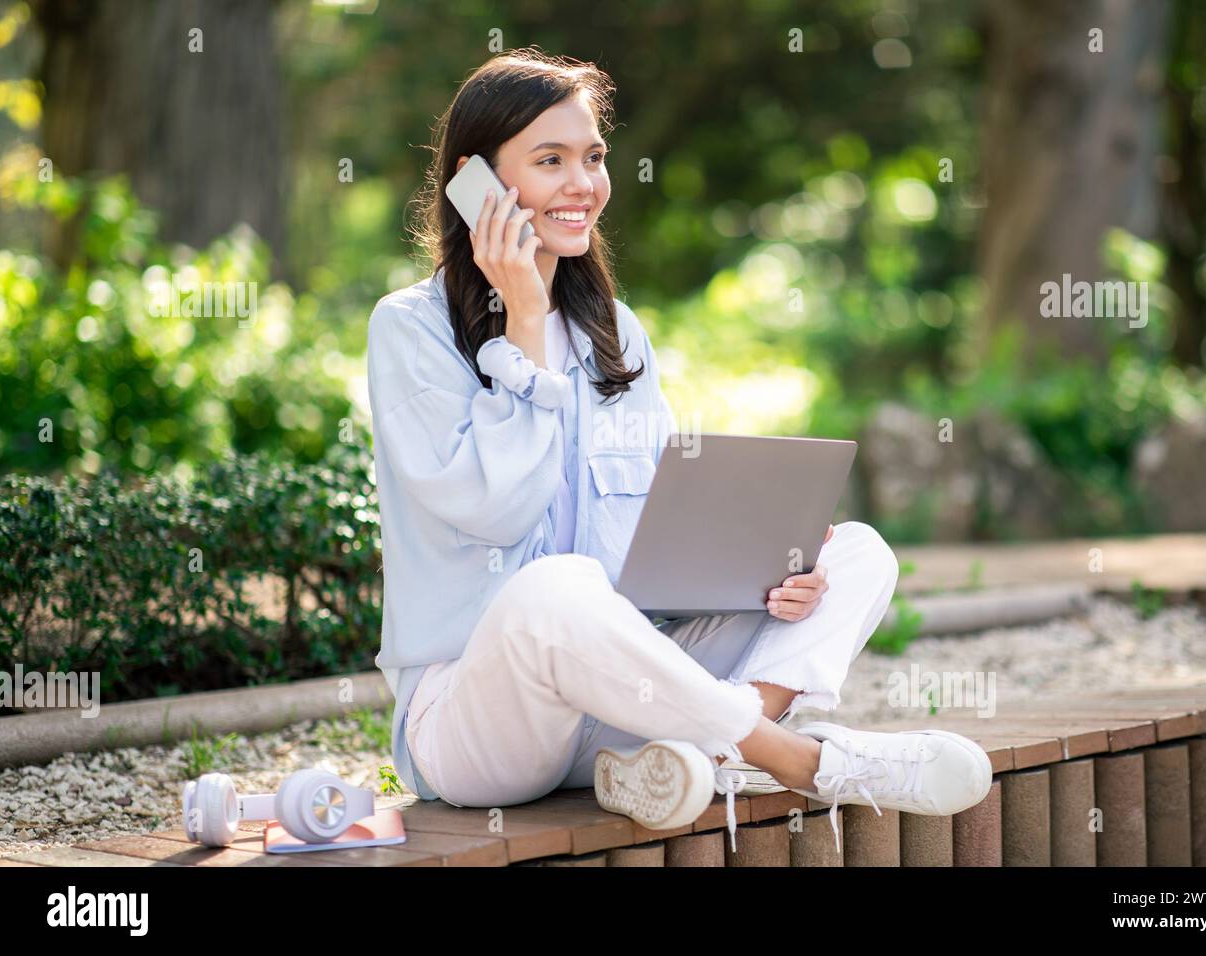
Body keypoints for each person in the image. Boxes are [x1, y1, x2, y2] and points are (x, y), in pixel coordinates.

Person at [366, 48, 991, 856]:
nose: (582, 183)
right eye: (548, 160)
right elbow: (499, 513)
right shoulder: (408, 330)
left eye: (592, 157)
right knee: (556, 587)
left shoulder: (617, 335)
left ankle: (686, 754)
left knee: (858, 555)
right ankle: (790, 757)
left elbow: (660, 545)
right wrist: (522, 324)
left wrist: (765, 577)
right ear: (474, 181)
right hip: (480, 725)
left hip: (628, 699)